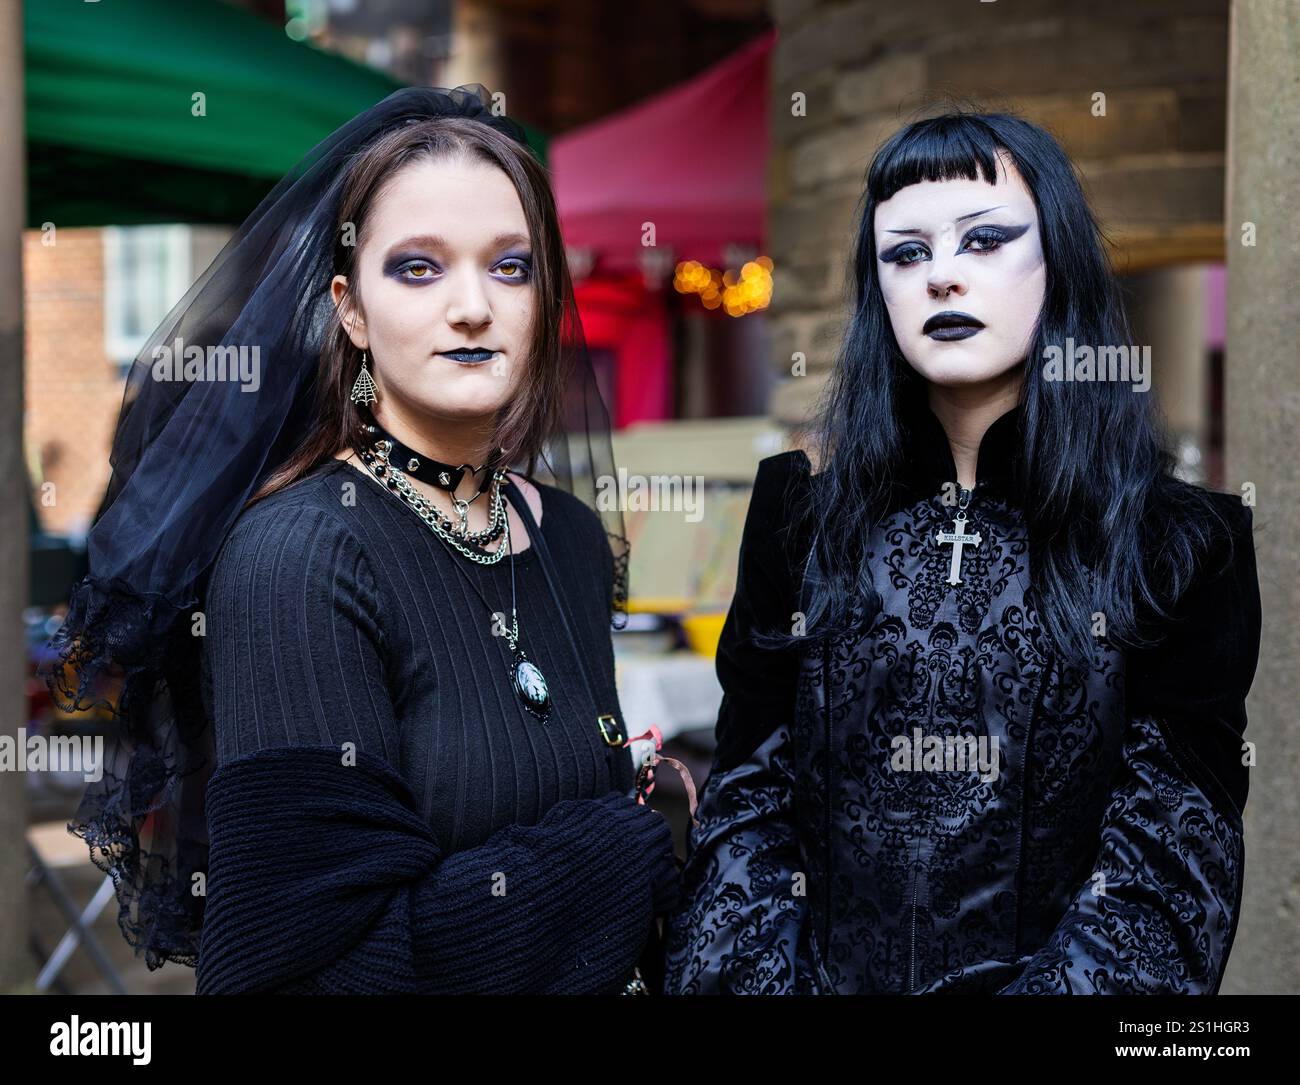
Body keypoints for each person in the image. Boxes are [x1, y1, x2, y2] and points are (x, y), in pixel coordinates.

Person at [40, 86, 678, 995]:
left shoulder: (567, 537)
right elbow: (324, 973)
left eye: (511, 267)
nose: (472, 307)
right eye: (419, 268)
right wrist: (620, 843)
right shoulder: (298, 559)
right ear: (349, 309)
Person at [662, 111, 1261, 995]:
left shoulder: (1179, 543)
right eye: (905, 253)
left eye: (984, 241)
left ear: (1056, 261)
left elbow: (1170, 872)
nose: (942, 275)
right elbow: (745, 808)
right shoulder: (799, 516)